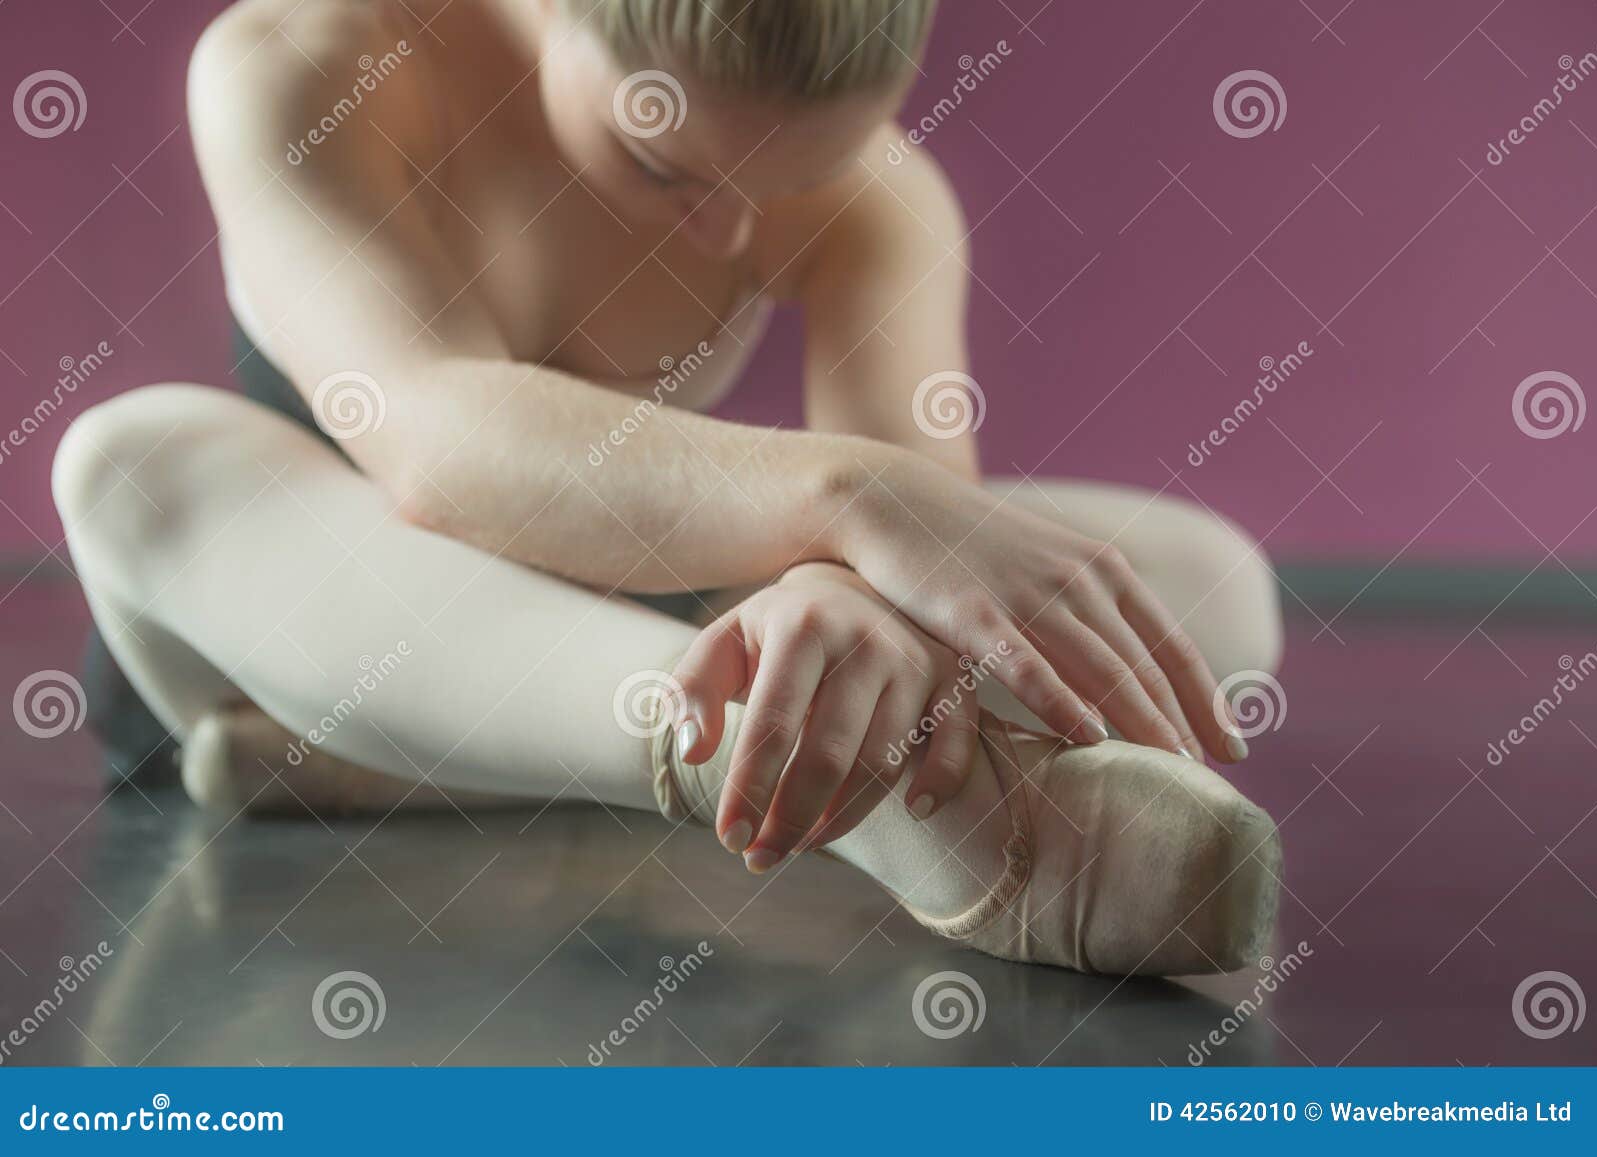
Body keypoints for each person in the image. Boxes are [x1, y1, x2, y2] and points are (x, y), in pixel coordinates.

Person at [54, 0, 1285, 975]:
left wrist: (838, 588)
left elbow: (931, 569)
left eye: (792, 177)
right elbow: (432, 436)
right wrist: (854, 501)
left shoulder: (880, 193)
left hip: (630, 617)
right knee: (130, 462)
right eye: (665, 165)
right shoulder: (307, 59)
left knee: (1205, 581)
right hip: (301, 635)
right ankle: (831, 789)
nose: (729, 233)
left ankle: (554, 753)